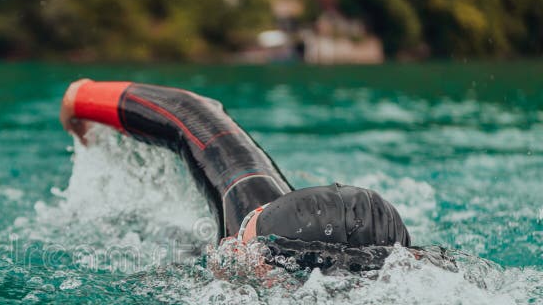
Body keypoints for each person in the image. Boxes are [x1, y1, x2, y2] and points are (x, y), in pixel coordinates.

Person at [60, 79, 412, 272]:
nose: (231, 246)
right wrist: (82, 98)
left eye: (245, 240)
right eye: (244, 227)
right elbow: (192, 114)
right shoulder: (252, 200)